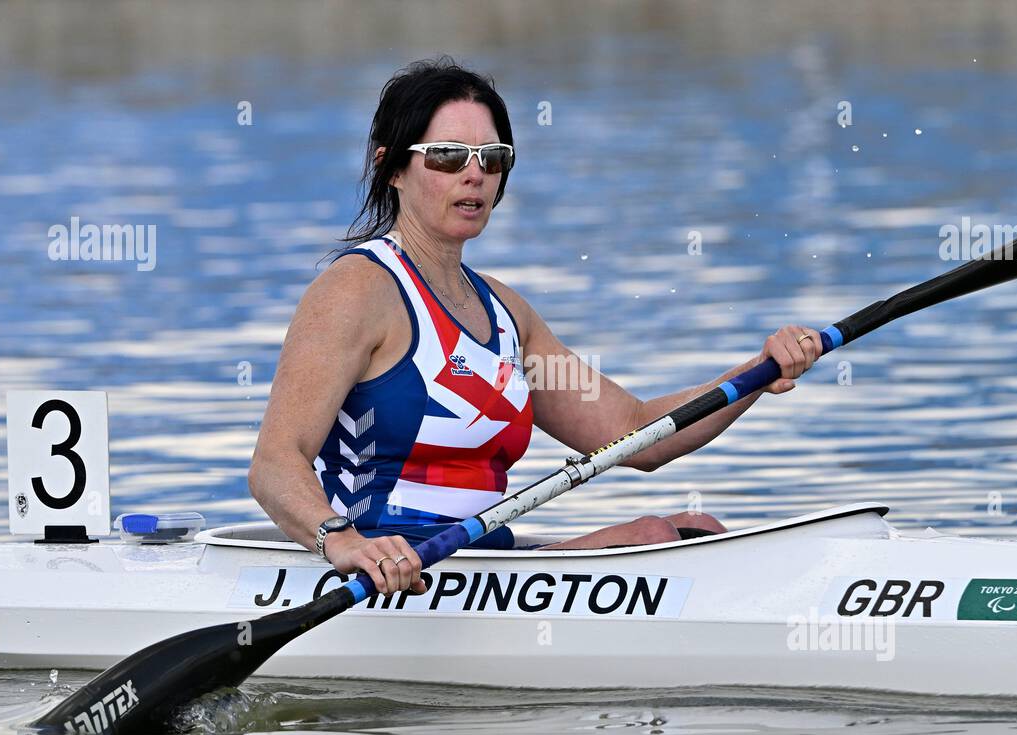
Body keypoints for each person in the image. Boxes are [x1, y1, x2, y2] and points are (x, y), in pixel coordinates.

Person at [249, 57, 819, 596]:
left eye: (491, 158)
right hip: (384, 577)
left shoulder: (505, 312)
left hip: (482, 570)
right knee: (653, 538)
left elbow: (637, 432)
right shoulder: (356, 290)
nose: (474, 175)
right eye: (448, 156)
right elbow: (275, 464)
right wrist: (342, 543)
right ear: (391, 166)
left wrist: (758, 372)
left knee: (696, 527)